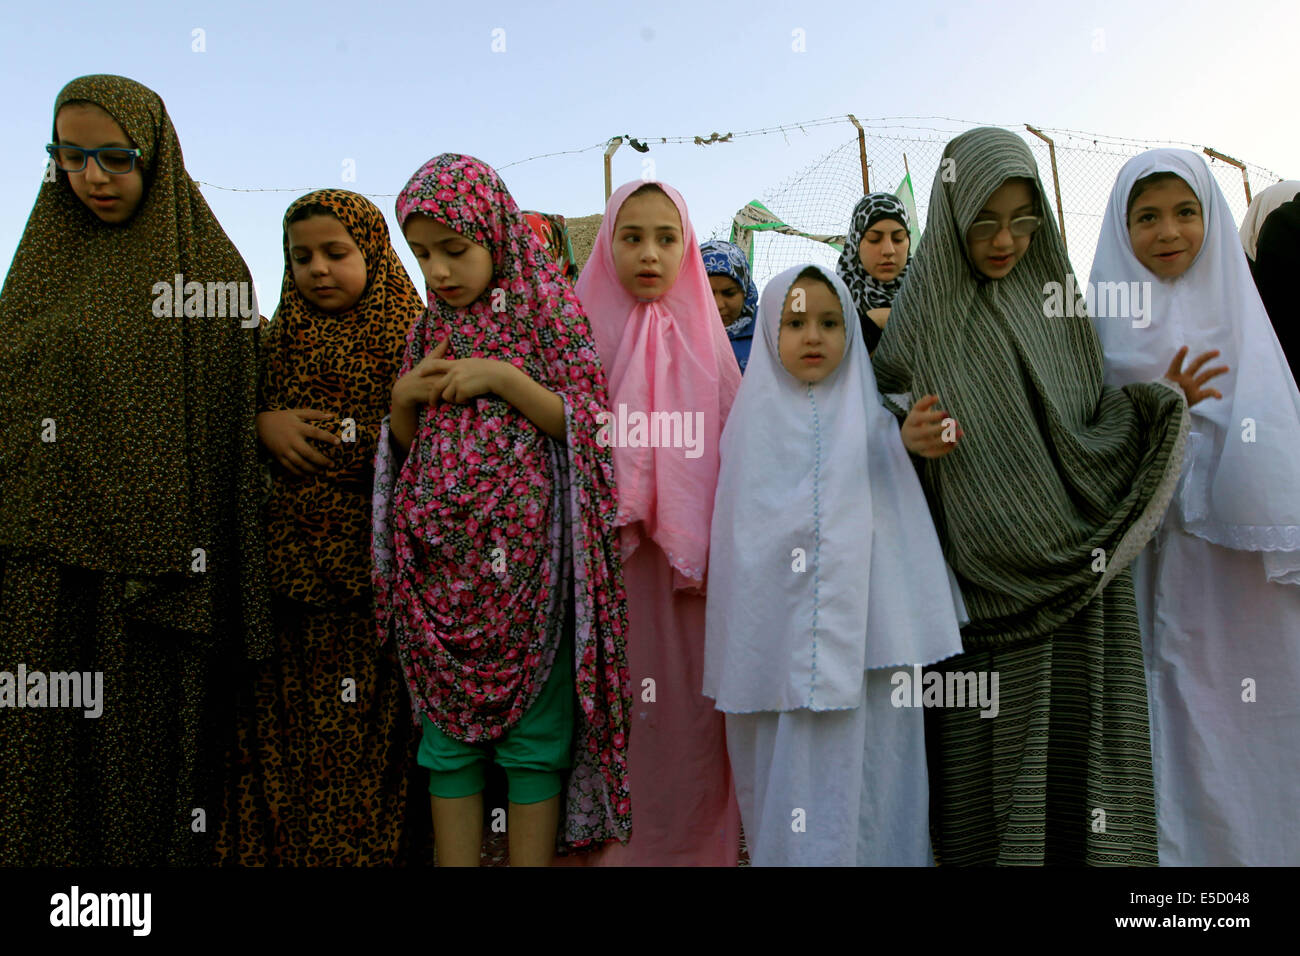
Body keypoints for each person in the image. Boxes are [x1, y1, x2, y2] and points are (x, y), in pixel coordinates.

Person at [871, 126, 1226, 866]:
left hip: (1081, 576)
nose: (1006, 241)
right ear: (953, 212)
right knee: (993, 788)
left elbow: (1086, 426)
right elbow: (873, 428)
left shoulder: (1059, 306)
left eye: (1024, 221)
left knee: (1082, 768)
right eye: (985, 221)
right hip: (980, 597)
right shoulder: (920, 318)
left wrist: (1155, 406)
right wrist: (905, 438)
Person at [0, 74, 270, 865]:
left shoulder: (211, 274)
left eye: (115, 157)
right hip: (41, 570)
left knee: (137, 761)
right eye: (71, 157)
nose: (92, 178)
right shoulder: (36, 273)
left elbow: (229, 409)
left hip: (152, 584)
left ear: (156, 154)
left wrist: (258, 421)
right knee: (34, 759)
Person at [373, 153, 631, 865]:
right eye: (422, 255)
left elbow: (588, 425)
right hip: (440, 580)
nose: (439, 273)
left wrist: (503, 378)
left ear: (496, 235)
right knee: (446, 745)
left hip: (529, 581)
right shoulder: (428, 330)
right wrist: (400, 404)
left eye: (455, 251)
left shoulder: (549, 308)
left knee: (533, 743)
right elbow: (405, 449)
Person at [704, 262, 964, 865]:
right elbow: (748, 544)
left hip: (868, 652)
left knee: (873, 776)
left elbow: (885, 470)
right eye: (795, 322)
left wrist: (910, 440)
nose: (813, 337)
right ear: (769, 330)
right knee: (790, 777)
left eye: (829, 321)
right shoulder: (747, 432)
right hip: (779, 665)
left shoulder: (873, 420)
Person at [1089, 150, 1300, 865]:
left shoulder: (1244, 318)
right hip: (1145, 573)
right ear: (1121, 230)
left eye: (1186, 212)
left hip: (1242, 582)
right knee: (1167, 729)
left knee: (1253, 733)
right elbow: (1088, 452)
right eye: (1146, 217)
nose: (1168, 231)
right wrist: (1160, 411)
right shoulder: (1101, 335)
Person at [218, 189, 431, 865]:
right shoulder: (272, 343)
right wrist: (258, 425)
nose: (316, 269)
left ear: (372, 251)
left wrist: (374, 435)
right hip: (283, 591)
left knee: (364, 744)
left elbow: (434, 450)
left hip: (372, 594)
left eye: (336, 253)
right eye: (300, 256)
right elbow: (221, 428)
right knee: (283, 740)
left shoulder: (413, 338)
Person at [567, 180, 743, 865]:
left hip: (690, 578)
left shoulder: (707, 338)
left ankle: (695, 846)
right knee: (619, 716)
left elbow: (736, 448)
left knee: (691, 717)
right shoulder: (580, 333)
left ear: (688, 247)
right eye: (631, 236)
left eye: (667, 239)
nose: (649, 253)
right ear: (607, 245)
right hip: (608, 573)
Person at [835, 193, 912, 353]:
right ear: (856, 242)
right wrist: (871, 324)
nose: (888, 250)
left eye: (898, 238)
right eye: (874, 238)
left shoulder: (931, 292)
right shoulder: (833, 302)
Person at [700, 239, 760, 373]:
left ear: (745, 292)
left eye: (729, 293)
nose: (718, 305)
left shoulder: (768, 330)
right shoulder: (676, 334)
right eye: (708, 294)